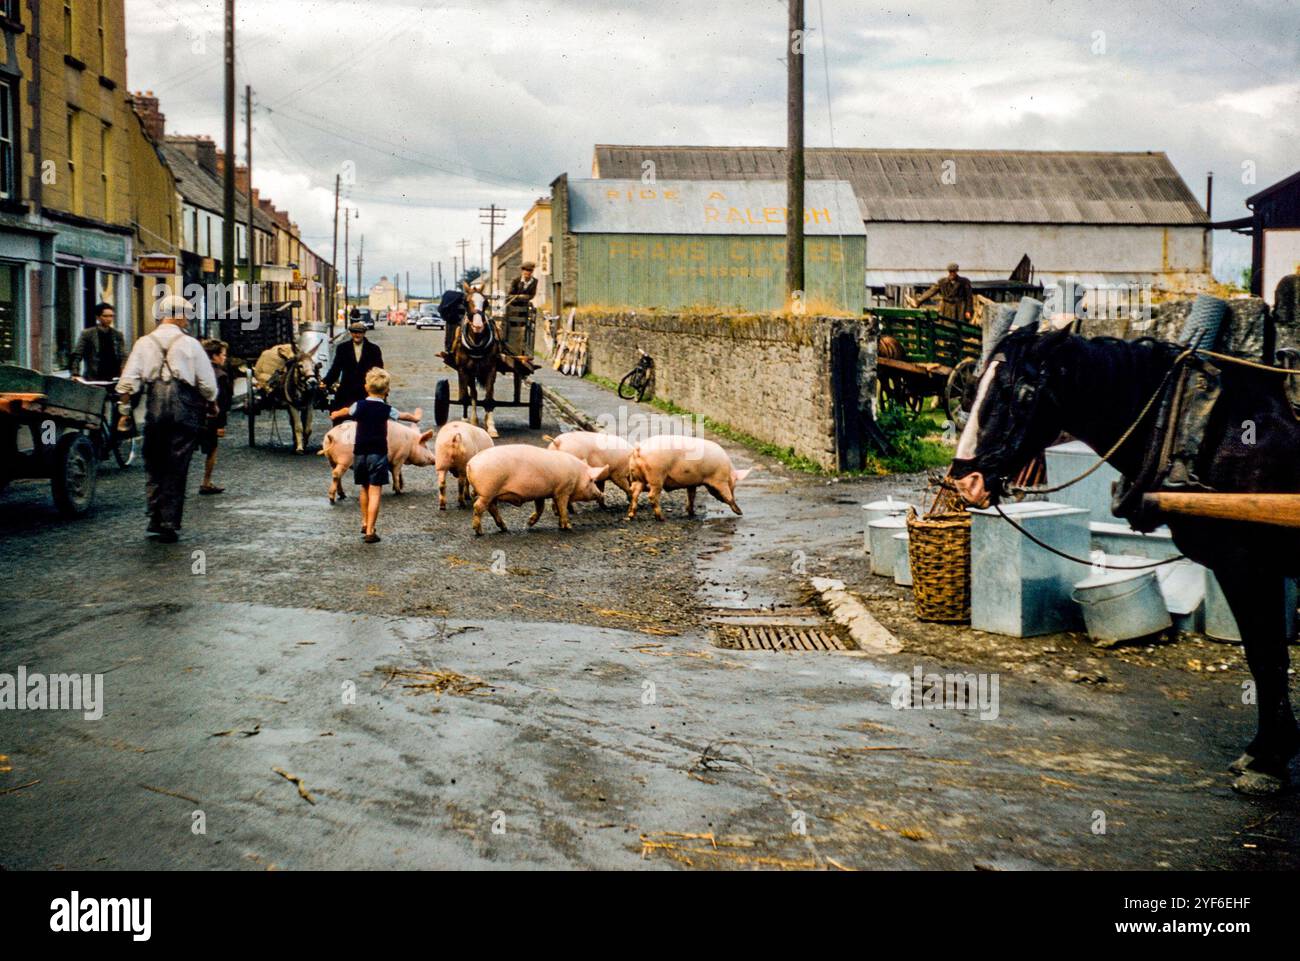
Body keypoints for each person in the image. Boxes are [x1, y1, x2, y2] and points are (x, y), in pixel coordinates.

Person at [116, 295, 218, 543]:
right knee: (177, 463)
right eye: (186, 315)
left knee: (154, 459)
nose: (187, 321)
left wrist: (124, 412)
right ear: (178, 315)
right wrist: (212, 402)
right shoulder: (191, 344)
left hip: (155, 404)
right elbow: (206, 382)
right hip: (184, 406)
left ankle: (154, 517)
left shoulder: (143, 342)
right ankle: (169, 521)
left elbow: (128, 381)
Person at [329, 367, 422, 544]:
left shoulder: (359, 405)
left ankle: (364, 522)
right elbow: (404, 416)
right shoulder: (386, 409)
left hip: (360, 453)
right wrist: (416, 418)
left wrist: (335, 414)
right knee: (375, 491)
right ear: (387, 391)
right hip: (378, 453)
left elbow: (345, 411)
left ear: (366, 387)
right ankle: (371, 530)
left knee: (363, 488)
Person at [323, 321, 384, 411]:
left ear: (364, 333)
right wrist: (325, 382)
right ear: (351, 333)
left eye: (360, 332)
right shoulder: (342, 348)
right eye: (354, 332)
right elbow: (336, 369)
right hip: (347, 390)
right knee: (339, 416)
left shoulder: (374, 349)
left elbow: (379, 371)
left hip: (366, 391)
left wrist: (381, 389)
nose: (357, 335)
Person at [199, 338, 233, 496]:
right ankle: (206, 482)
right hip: (211, 418)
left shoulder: (198, 371)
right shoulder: (221, 375)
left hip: (193, 416)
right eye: (223, 355)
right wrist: (221, 425)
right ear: (214, 356)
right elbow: (223, 403)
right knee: (212, 450)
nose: (224, 358)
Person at [70, 302, 126, 381]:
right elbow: (77, 354)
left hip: (114, 376)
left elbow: (122, 355)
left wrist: (123, 370)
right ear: (98, 317)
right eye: (105, 316)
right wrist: (75, 373)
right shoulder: (88, 334)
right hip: (95, 376)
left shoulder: (117, 335)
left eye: (111, 316)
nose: (109, 319)